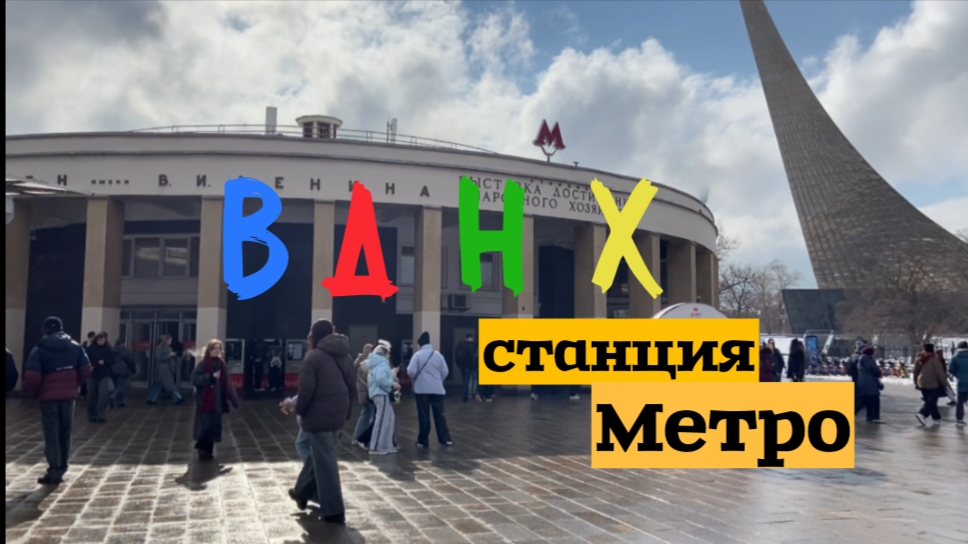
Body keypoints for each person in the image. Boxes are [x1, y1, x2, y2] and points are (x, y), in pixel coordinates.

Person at [289, 319, 356, 525]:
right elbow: (351, 387)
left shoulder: (314, 357)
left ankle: (334, 511)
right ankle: (301, 491)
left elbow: (306, 390)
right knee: (321, 455)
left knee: (326, 462)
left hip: (319, 416)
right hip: (337, 415)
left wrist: (299, 410)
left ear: (315, 335)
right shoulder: (346, 355)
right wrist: (346, 414)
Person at [22, 317, 92, 485]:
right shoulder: (75, 346)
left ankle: (54, 469)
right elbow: (86, 369)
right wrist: (74, 384)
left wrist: (33, 392)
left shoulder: (39, 349)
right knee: (65, 432)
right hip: (68, 396)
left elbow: (32, 376)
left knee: (51, 433)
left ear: (45, 330)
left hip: (48, 397)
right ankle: (63, 466)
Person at [191, 339, 240, 460]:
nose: (217, 351)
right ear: (209, 350)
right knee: (205, 425)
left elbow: (227, 383)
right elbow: (194, 379)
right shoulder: (203, 363)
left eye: (219, 348)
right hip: (205, 400)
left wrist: (234, 399)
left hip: (217, 400)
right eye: (214, 348)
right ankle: (202, 449)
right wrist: (210, 377)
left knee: (213, 425)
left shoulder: (221, 364)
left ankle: (208, 450)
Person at [405, 332, 454, 449]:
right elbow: (445, 371)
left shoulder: (417, 356)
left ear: (419, 344)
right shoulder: (438, 355)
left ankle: (423, 441)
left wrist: (416, 379)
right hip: (437, 389)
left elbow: (411, 371)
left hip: (422, 390)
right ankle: (445, 439)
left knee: (424, 416)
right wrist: (438, 380)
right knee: (440, 415)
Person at [367, 340, 400, 455]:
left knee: (388, 419)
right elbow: (381, 378)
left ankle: (386, 445)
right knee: (382, 420)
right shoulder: (382, 363)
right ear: (384, 354)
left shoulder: (376, 363)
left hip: (378, 393)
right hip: (381, 393)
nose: (389, 355)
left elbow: (382, 375)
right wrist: (392, 384)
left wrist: (392, 374)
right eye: (388, 353)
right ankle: (376, 447)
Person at [84, 332, 115, 423]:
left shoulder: (108, 349)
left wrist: (105, 361)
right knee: (91, 395)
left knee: (103, 395)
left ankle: (101, 415)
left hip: (104, 374)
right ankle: (91, 414)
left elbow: (113, 360)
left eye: (103, 340)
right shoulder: (90, 349)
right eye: (100, 340)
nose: (102, 342)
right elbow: (85, 360)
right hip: (92, 374)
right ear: (96, 340)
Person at [914, 344, 947, 426]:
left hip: (921, 381)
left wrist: (916, 382)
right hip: (932, 382)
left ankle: (936, 418)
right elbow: (940, 373)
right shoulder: (934, 359)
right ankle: (922, 413)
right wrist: (944, 383)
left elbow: (915, 371)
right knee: (932, 400)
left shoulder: (919, 358)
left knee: (929, 400)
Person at [148, 334, 183, 405]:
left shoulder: (167, 347)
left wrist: (173, 355)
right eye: (169, 340)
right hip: (164, 369)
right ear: (165, 341)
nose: (170, 342)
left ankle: (152, 399)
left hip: (167, 368)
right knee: (171, 385)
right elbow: (159, 358)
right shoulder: (159, 348)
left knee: (160, 385)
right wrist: (169, 355)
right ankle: (178, 398)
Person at [352, 344, 376, 449]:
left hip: (361, 394)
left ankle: (356, 437)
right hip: (368, 393)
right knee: (372, 416)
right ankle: (368, 438)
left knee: (364, 415)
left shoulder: (358, 362)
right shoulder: (367, 364)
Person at [854, 345, 884, 423]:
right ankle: (874, 416)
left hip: (861, 382)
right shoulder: (869, 360)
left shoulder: (860, 360)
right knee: (875, 399)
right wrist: (879, 372)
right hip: (870, 383)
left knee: (864, 400)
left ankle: (868, 416)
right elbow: (876, 371)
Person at [110, 338, 136, 408]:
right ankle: (113, 396)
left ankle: (119, 402)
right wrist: (133, 370)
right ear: (123, 344)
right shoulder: (125, 351)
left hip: (113, 370)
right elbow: (130, 361)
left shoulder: (111, 351)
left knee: (117, 386)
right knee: (122, 387)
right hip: (122, 371)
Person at [947, 341, 968, 427]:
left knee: (960, 403)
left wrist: (956, 375)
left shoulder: (955, 357)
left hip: (961, 383)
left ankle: (959, 419)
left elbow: (951, 370)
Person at [456, 334, 478, 403]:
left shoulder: (460, 345)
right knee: (468, 379)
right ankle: (468, 393)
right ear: (471, 338)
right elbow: (473, 356)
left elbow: (456, 355)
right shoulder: (472, 345)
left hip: (462, 365)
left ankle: (465, 393)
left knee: (464, 379)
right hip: (469, 365)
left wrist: (459, 364)